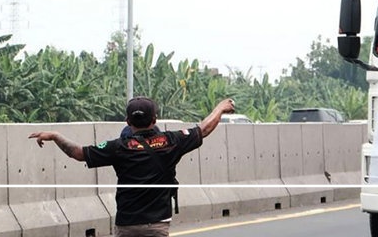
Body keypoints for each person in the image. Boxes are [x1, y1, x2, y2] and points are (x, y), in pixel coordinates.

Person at [29, 96, 236, 237]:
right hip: (157, 224)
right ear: (154, 119)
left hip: (127, 224)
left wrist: (55, 136)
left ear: (127, 121)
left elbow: (78, 153)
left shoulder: (118, 147)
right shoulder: (171, 141)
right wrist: (220, 108)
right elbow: (203, 129)